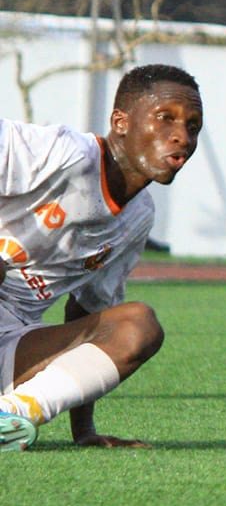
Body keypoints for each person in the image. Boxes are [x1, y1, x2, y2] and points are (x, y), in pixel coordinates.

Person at [0, 65, 203, 451]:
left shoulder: (138, 218)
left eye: (193, 126)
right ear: (121, 122)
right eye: (166, 118)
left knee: (136, 325)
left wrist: (84, 431)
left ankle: (12, 414)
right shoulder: (60, 152)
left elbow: (86, 314)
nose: (182, 136)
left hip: (9, 342)